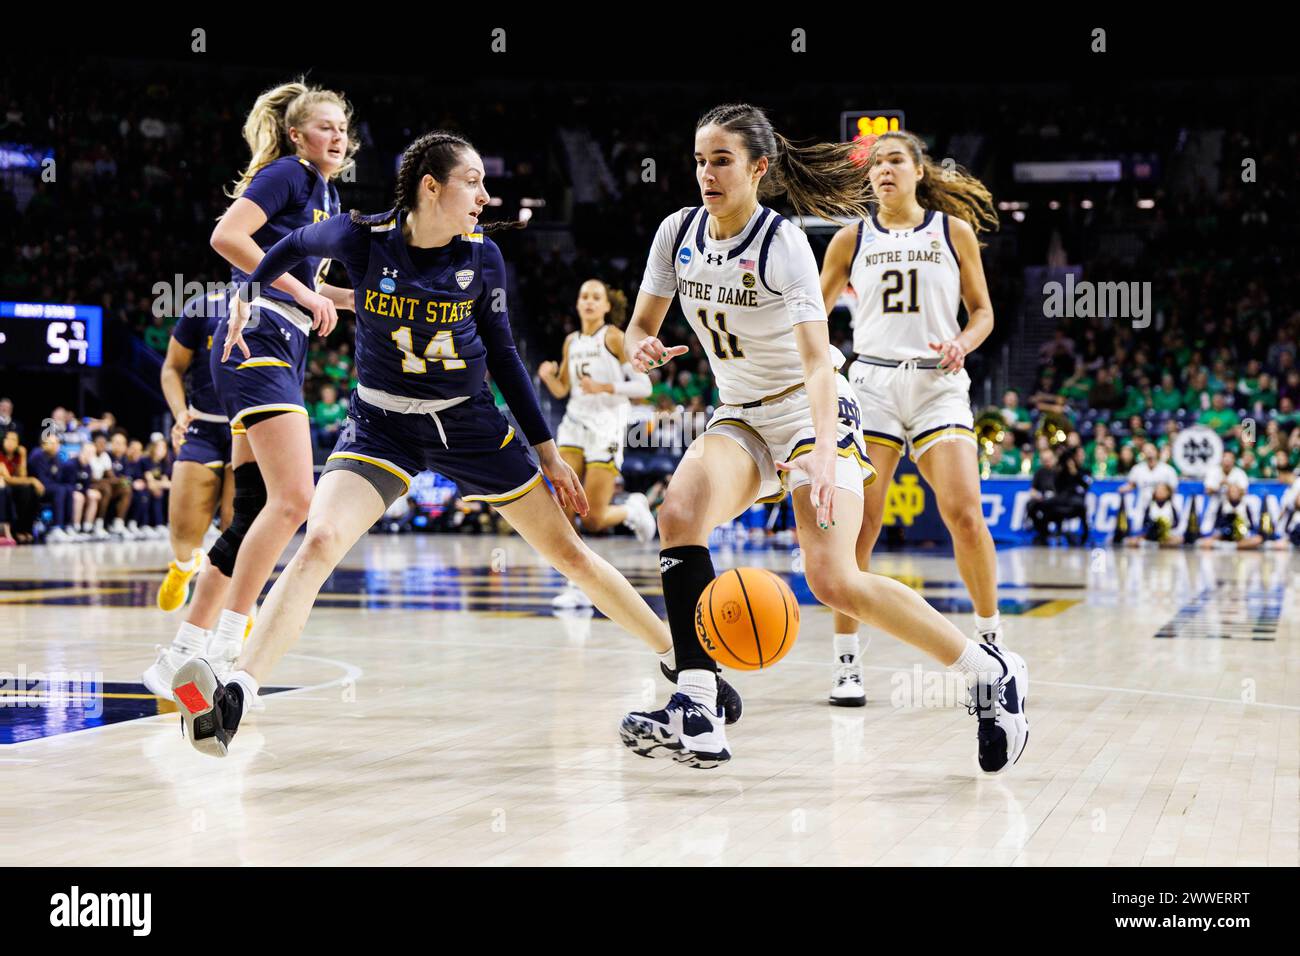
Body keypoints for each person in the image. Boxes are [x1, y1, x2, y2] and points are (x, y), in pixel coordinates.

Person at [170, 131, 738, 758]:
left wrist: (546, 450)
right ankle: (237, 697)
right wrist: (247, 299)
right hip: (381, 423)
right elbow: (287, 245)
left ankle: (680, 661)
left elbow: (502, 354)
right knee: (320, 542)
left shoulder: (483, 256)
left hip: (468, 422)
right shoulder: (360, 235)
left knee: (570, 555)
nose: (485, 196)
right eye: (473, 182)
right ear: (430, 187)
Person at [617, 104, 1027, 771]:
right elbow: (640, 325)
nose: (706, 174)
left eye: (721, 160)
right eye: (699, 160)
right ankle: (697, 703)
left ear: (758, 167)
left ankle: (986, 673)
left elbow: (816, 362)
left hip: (813, 412)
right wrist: (641, 349)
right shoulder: (676, 233)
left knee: (834, 578)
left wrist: (829, 460)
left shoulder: (781, 244)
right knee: (678, 514)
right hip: (743, 413)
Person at [144, 79, 355, 700]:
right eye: (324, 127)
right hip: (257, 335)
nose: (337, 137)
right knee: (294, 501)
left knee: (254, 511)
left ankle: (179, 653)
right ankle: (227, 645)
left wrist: (369, 300)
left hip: (278, 341)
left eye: (342, 128)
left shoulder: (327, 192)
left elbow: (317, 287)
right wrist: (306, 292)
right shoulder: (288, 173)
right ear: (296, 134)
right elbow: (229, 238)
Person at [818, 128, 1001, 705]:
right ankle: (847, 662)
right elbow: (812, 314)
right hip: (870, 382)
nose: (884, 170)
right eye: (876, 164)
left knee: (964, 512)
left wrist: (964, 342)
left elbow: (983, 312)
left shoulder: (954, 232)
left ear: (920, 171)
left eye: (896, 160)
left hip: (937, 383)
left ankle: (992, 642)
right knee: (860, 527)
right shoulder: (850, 238)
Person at [538, 279, 656, 608]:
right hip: (574, 426)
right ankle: (575, 585)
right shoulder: (570, 342)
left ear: (606, 306)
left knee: (593, 517)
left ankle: (631, 508)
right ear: (577, 305)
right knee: (565, 509)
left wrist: (605, 387)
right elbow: (564, 391)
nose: (589, 302)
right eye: (584, 296)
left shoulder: (614, 337)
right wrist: (549, 378)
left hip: (606, 428)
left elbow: (644, 388)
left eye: (596, 297)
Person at [153, 290, 238, 617]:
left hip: (248, 426)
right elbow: (171, 367)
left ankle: (240, 609)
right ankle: (184, 565)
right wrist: (179, 414)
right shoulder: (203, 305)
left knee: (237, 525)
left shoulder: (284, 301)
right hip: (202, 423)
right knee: (184, 530)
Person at [27, 434, 82, 542]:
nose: (55, 446)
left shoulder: (56, 457)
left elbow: (59, 477)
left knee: (69, 488)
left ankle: (67, 526)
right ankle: (55, 528)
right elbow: (42, 479)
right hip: (36, 489)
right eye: (52, 443)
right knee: (60, 490)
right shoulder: (37, 455)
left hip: (51, 487)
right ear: (43, 445)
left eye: (57, 443)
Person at [0, 431, 42, 543]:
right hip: (4, 488)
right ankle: (15, 531)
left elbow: (22, 476)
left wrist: (23, 457)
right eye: (8, 439)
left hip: (14, 487)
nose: (10, 443)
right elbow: (7, 479)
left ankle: (25, 529)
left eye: (14, 440)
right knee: (22, 489)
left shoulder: (17, 456)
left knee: (30, 491)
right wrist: (32, 480)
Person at [1198, 482, 1263, 550]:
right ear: (1227, 493)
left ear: (1240, 493)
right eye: (1231, 491)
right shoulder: (1223, 505)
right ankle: (1229, 545)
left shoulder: (1245, 505)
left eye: (1235, 491)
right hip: (1224, 535)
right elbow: (1217, 524)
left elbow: (1251, 525)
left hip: (1242, 536)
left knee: (1257, 539)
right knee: (1205, 542)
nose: (1233, 493)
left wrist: (1242, 529)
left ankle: (1233, 546)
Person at [1124, 481, 1183, 547]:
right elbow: (1145, 521)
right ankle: (1152, 543)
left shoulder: (1171, 506)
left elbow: (1176, 522)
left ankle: (1157, 543)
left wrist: (1166, 526)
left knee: (1178, 540)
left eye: (1163, 491)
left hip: (1166, 533)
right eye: (1158, 490)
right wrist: (1153, 525)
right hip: (1151, 532)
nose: (1160, 492)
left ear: (1168, 493)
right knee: (1131, 541)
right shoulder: (1151, 505)